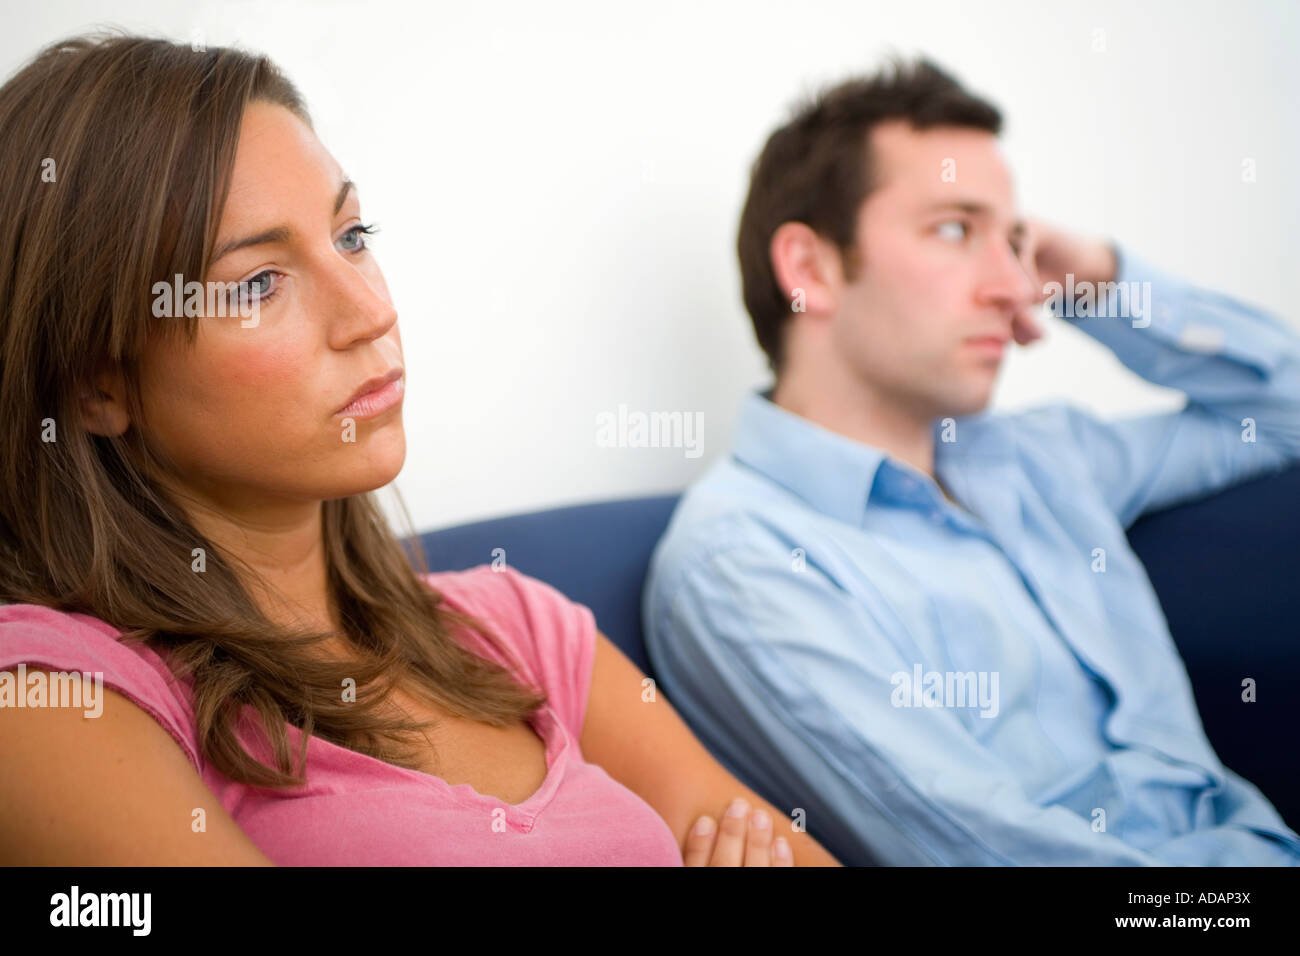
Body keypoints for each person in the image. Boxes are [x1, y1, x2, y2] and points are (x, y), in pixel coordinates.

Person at [0, 32, 840, 867]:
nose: (369, 311)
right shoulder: (51, 693)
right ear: (97, 384)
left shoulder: (518, 625)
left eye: (353, 236)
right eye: (258, 282)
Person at [642, 57, 1300, 866]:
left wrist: (1100, 278)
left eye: (1016, 241)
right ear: (809, 270)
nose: (1013, 285)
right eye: (955, 229)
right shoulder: (744, 564)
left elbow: (1284, 416)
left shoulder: (1042, 459)